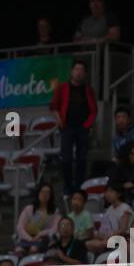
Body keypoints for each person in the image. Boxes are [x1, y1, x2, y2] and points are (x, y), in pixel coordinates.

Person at [50, 59, 98, 197]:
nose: (79, 72)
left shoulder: (89, 90)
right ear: (72, 72)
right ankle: (68, 185)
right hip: (67, 128)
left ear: (85, 73)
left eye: (81, 70)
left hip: (82, 129)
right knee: (66, 159)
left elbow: (94, 110)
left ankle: (79, 186)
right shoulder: (62, 88)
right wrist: (60, 121)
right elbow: (54, 107)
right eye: (76, 69)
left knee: (82, 159)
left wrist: (87, 125)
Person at [14, 182, 60, 255]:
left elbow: (55, 228)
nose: (45, 195)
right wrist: (30, 239)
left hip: (44, 239)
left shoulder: (55, 211)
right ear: (38, 193)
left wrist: (41, 234)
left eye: (48, 193)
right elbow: (20, 227)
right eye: (42, 192)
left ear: (51, 195)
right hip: (28, 237)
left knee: (34, 249)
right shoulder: (29, 209)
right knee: (18, 250)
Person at [86, 182, 132, 254]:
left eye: (111, 191)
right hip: (110, 237)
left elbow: (123, 230)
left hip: (124, 238)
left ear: (119, 194)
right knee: (88, 243)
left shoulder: (125, 208)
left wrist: (109, 236)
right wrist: (99, 235)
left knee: (98, 245)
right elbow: (105, 227)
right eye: (106, 191)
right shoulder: (108, 210)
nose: (107, 194)